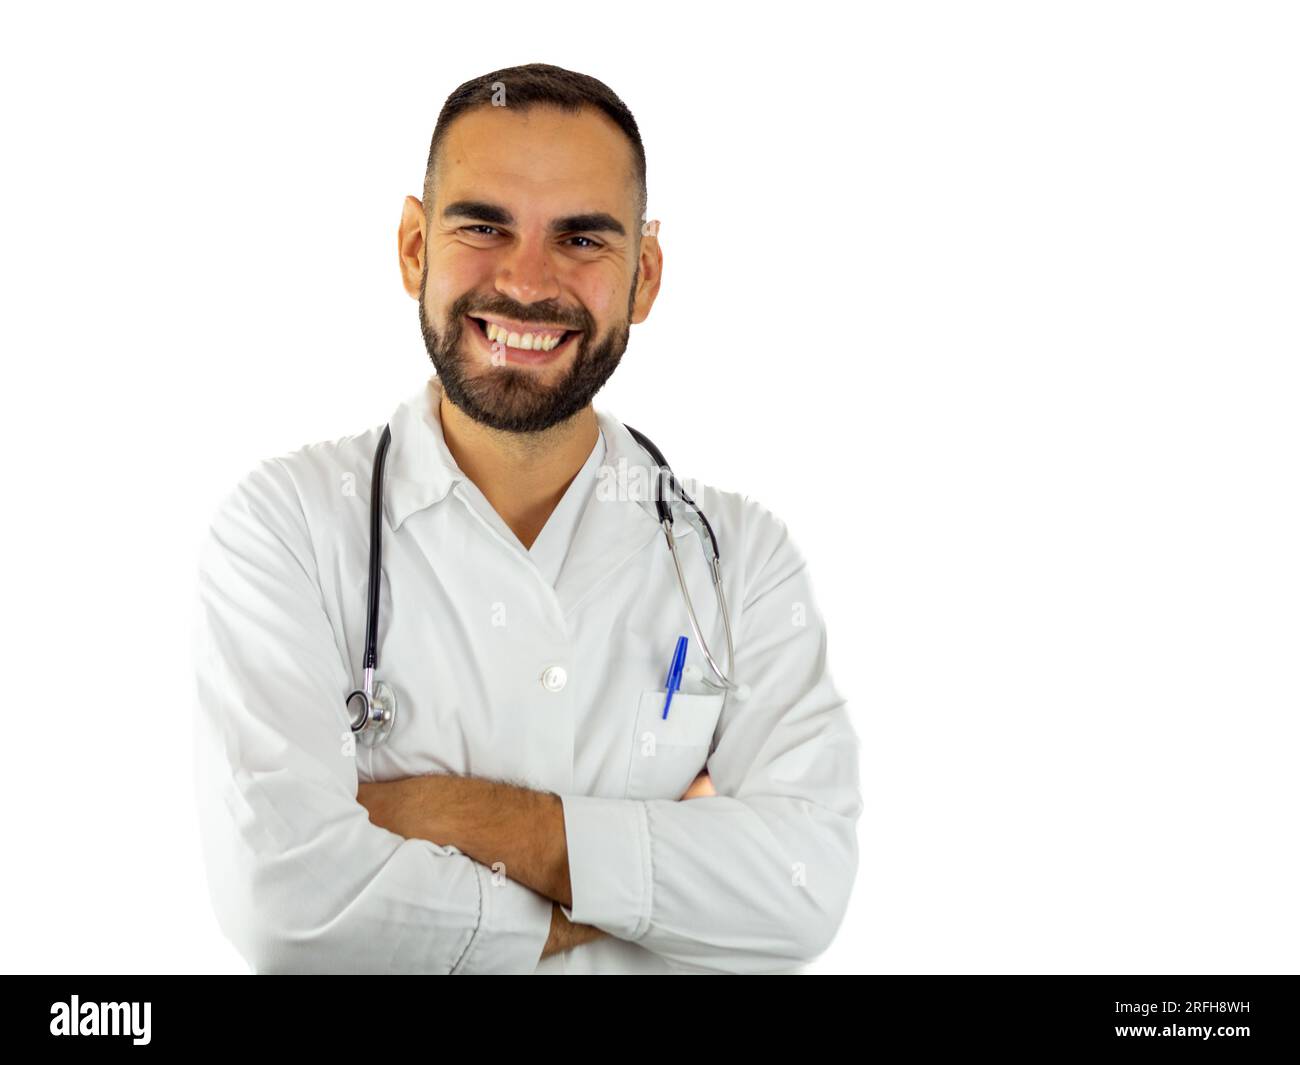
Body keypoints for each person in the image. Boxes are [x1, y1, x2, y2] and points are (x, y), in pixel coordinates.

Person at [192, 62, 862, 974]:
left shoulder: (739, 557)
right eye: (482, 226)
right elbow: (283, 902)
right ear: (413, 249)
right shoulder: (286, 528)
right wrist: (633, 875)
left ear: (645, 277)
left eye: (583, 239)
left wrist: (459, 818)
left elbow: (802, 886)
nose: (526, 280)